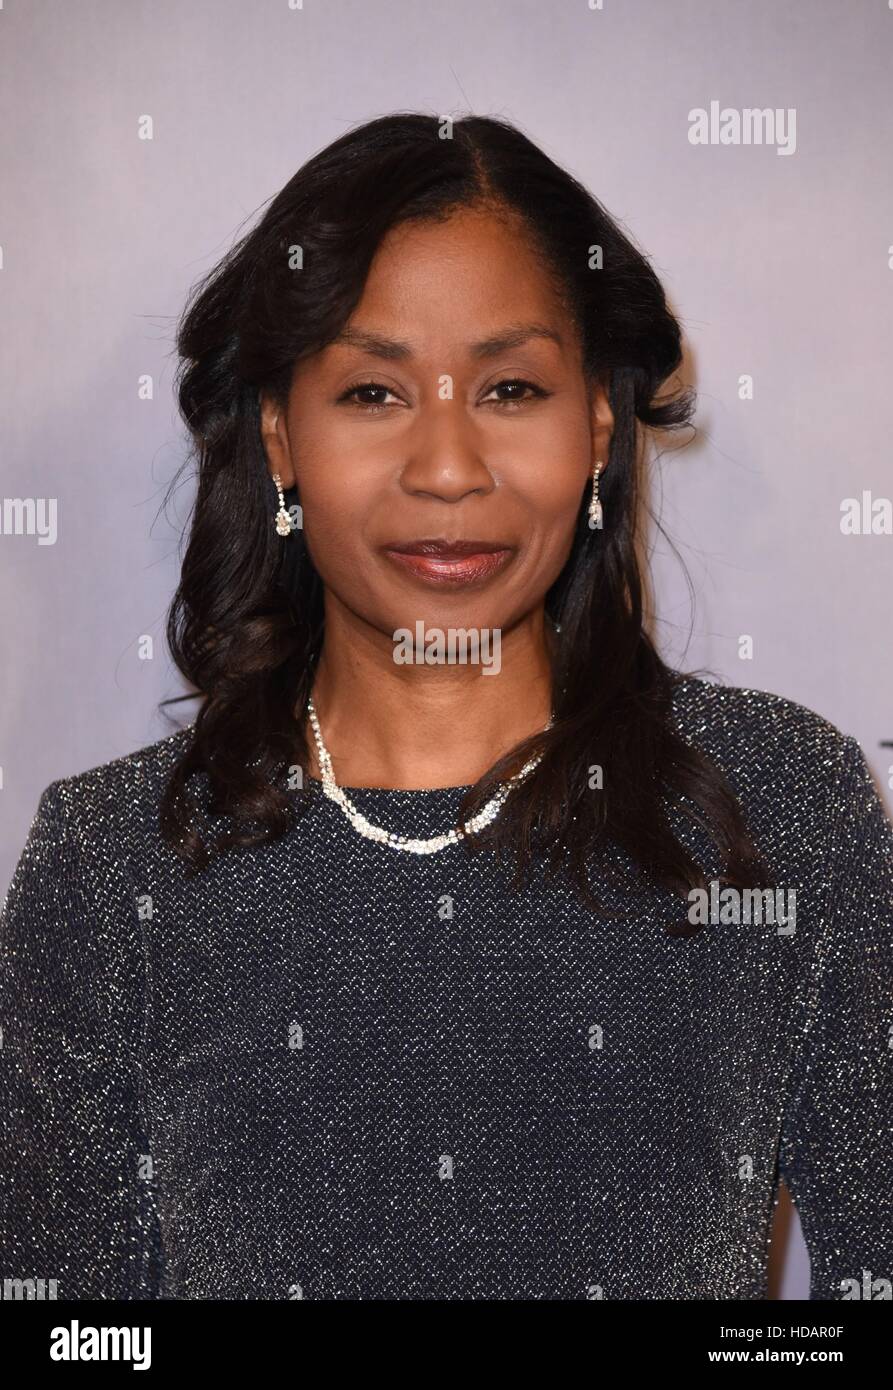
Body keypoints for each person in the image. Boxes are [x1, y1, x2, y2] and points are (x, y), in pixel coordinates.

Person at [1, 113, 891, 1301]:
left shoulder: (774, 808)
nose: (446, 466)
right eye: (371, 392)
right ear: (280, 437)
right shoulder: (115, 868)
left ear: (592, 427)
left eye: (509, 387)